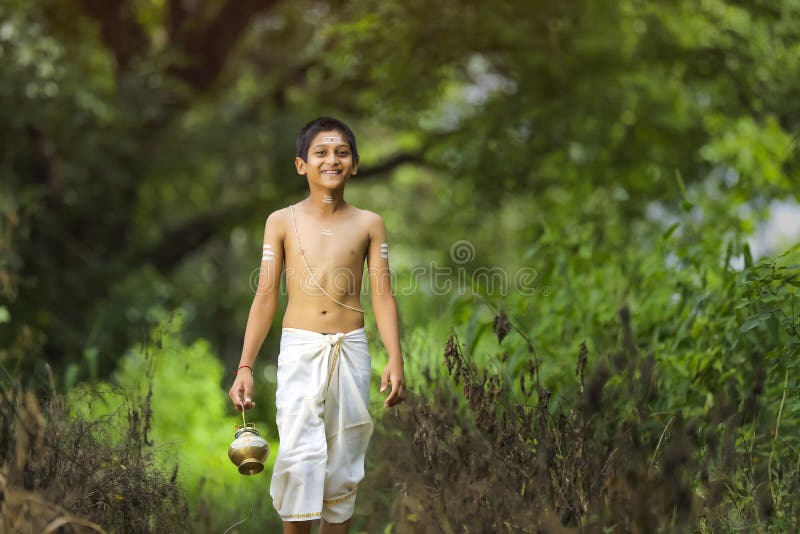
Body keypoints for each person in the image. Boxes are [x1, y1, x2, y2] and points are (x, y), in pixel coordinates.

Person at [228, 117, 406, 534]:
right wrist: (245, 366)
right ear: (301, 165)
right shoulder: (280, 222)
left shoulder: (369, 223)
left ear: (355, 165)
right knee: (298, 457)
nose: (332, 160)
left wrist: (395, 358)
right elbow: (266, 295)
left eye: (341, 153)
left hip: (352, 350)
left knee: (343, 460)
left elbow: (382, 294)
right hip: (300, 349)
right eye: (321, 153)